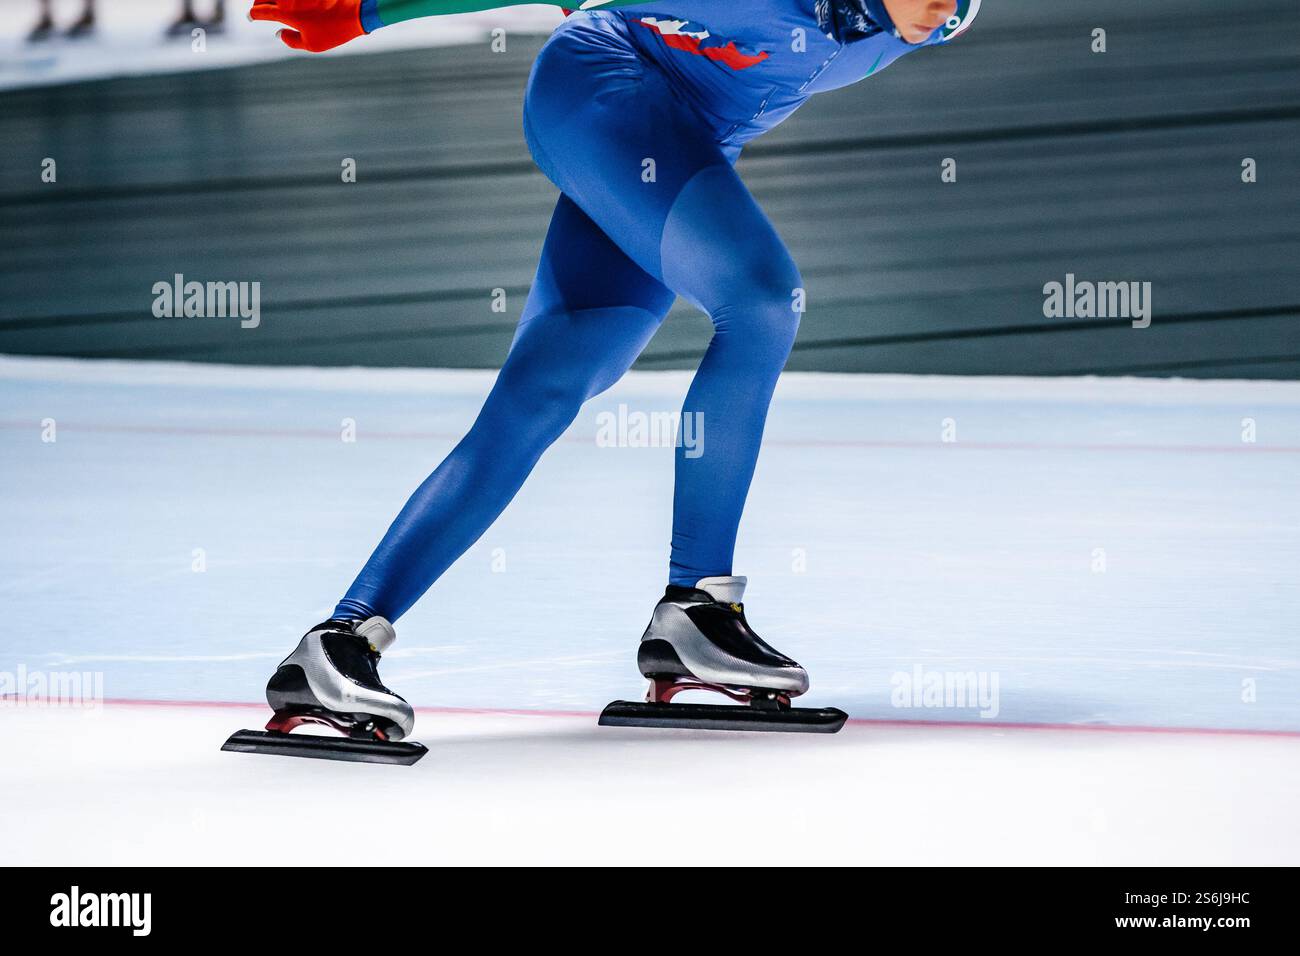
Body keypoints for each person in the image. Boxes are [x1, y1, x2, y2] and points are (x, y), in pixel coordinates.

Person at [247, 0, 981, 742]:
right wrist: (369, 12)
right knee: (762, 299)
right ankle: (698, 601)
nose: (942, 6)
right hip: (602, 89)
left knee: (549, 387)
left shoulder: (942, 14)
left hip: (681, 140)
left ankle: (339, 643)